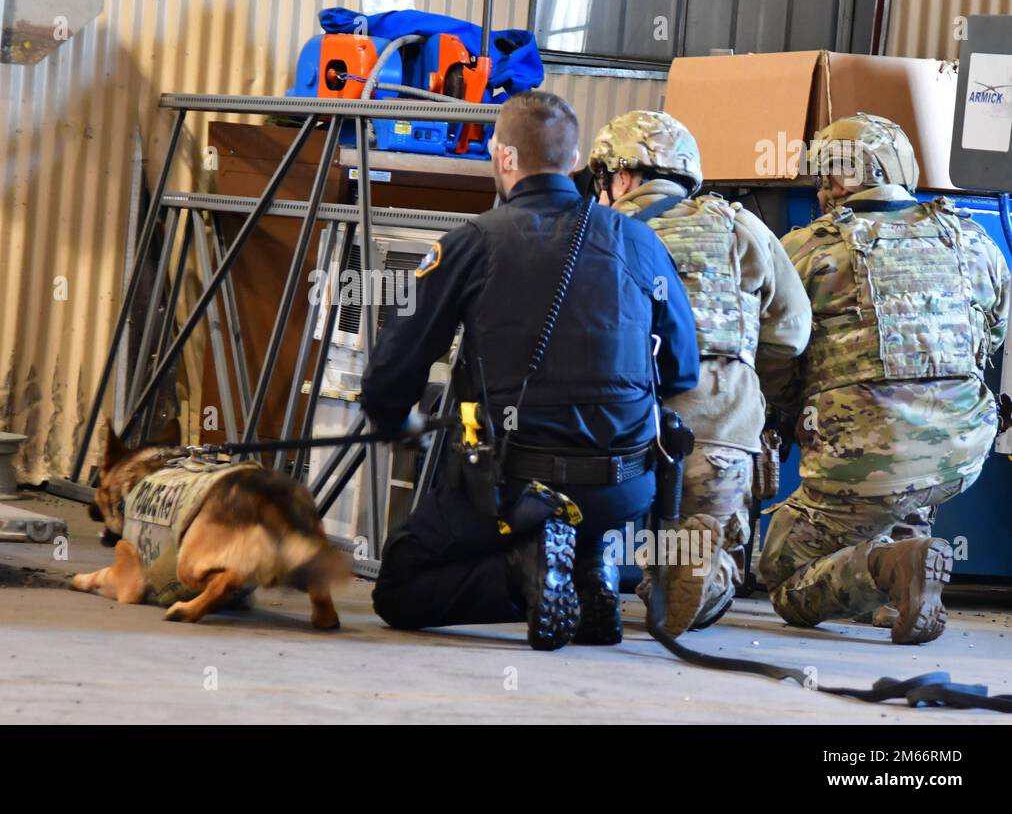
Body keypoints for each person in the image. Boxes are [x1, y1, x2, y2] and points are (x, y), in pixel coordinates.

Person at [362, 90, 699, 650]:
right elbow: (681, 371)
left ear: (502, 157)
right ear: (573, 163)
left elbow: (393, 369)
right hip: (624, 490)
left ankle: (527, 569)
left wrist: (395, 424)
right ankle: (589, 563)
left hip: (513, 486)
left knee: (400, 584)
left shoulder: (470, 244)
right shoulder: (639, 242)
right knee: (570, 512)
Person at [759, 113, 1011, 644]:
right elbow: (988, 345)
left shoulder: (804, 249)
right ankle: (903, 557)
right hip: (959, 455)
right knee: (911, 445)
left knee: (781, 574)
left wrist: (791, 415)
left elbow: (775, 361)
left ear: (832, 181)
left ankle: (885, 568)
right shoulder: (976, 242)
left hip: (862, 463)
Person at [592, 110, 811, 636]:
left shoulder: (595, 233)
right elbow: (792, 333)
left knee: (584, 535)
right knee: (711, 570)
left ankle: (593, 575)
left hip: (612, 440)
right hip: (717, 433)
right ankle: (699, 571)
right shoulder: (740, 226)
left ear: (620, 177)